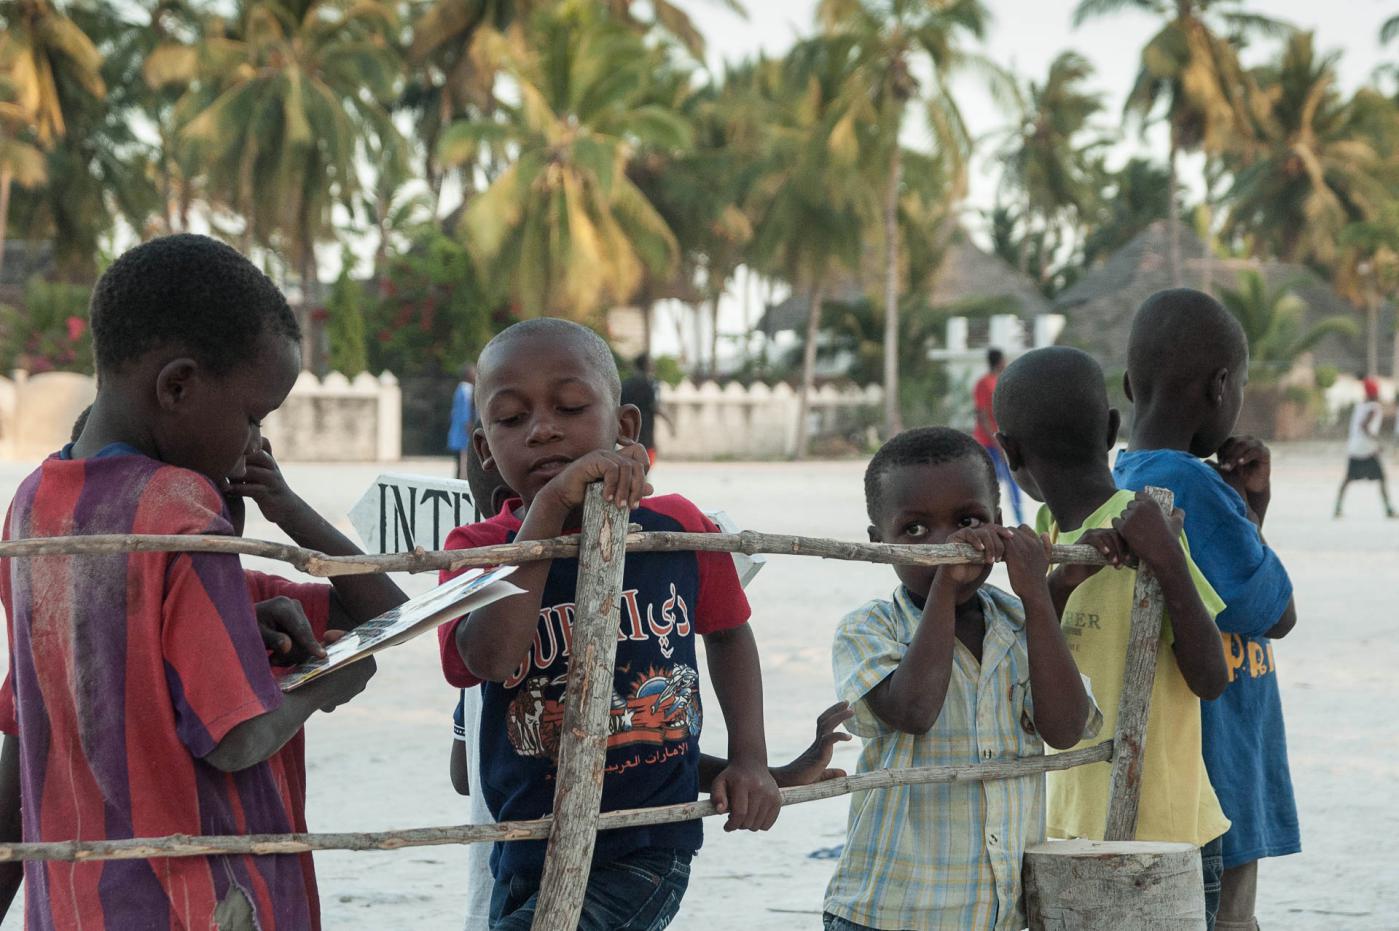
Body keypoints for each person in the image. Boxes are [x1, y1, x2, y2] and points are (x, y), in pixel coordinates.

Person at [0, 234, 377, 929]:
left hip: (76, 906)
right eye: (254, 415)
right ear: (177, 386)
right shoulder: (179, 507)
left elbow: (26, 732)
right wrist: (325, 687)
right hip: (202, 902)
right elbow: (234, 738)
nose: (256, 444)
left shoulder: (30, 506)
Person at [436, 318, 781, 930]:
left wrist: (750, 758)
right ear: (486, 447)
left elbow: (728, 632)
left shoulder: (678, 525)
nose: (543, 429)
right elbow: (489, 659)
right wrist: (547, 508)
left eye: (569, 407)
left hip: (645, 844)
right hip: (523, 844)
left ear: (624, 427)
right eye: (513, 419)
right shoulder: (476, 546)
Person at [823, 427, 1100, 931]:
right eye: (914, 531)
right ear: (879, 543)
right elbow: (913, 711)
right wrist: (945, 588)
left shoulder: (1021, 622)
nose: (949, 545)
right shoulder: (869, 629)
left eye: (968, 521)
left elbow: (1063, 729)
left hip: (999, 916)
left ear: (999, 525)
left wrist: (1036, 594)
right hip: (890, 913)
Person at [993, 347, 1232, 927]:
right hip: (1064, 832)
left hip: (1167, 837)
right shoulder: (1043, 540)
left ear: (1008, 450)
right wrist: (1061, 580)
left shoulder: (1149, 523)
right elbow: (1026, 651)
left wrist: (1167, 560)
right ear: (1111, 428)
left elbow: (1211, 678)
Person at [1114, 288, 1300, 931]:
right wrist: (1245, 510)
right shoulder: (1194, 484)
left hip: (1179, 771)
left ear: (1131, 385)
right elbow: (1278, 614)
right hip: (1221, 767)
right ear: (1222, 386)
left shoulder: (1127, 477)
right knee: (1231, 921)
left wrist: (1250, 508)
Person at [973, 347, 1023, 524]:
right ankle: (988, 522)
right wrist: (996, 442)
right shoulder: (984, 383)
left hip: (1004, 442)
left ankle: (1021, 522)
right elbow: (983, 415)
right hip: (989, 443)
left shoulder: (1002, 381)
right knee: (989, 485)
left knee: (1014, 482)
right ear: (1000, 361)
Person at [1334, 376, 1393, 518]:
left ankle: (1337, 507)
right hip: (1367, 448)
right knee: (1382, 478)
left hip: (1354, 448)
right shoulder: (1374, 407)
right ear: (1375, 393)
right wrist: (1377, 442)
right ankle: (1388, 509)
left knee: (1348, 479)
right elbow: (1365, 426)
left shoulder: (1360, 406)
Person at [620, 354, 670, 466]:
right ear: (646, 366)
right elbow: (655, 407)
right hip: (645, 432)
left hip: (628, 433)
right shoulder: (649, 385)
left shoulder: (625, 384)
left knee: (630, 466)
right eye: (651, 363)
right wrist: (670, 424)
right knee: (645, 465)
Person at [449, 363, 477, 480]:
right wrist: (469, 426)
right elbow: (466, 410)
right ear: (468, 375)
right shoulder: (467, 389)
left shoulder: (459, 389)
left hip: (457, 431)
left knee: (459, 463)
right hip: (463, 433)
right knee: (464, 460)